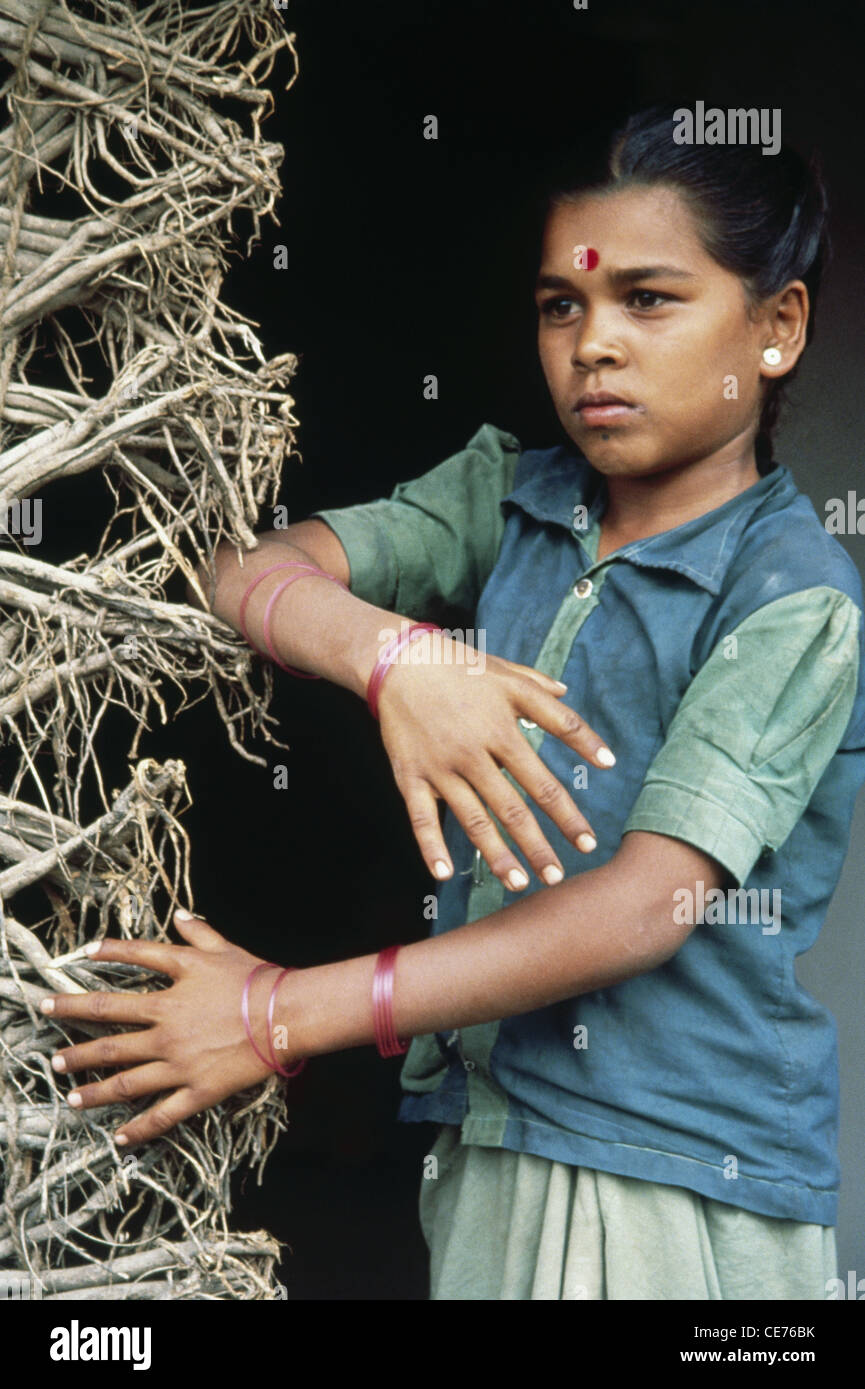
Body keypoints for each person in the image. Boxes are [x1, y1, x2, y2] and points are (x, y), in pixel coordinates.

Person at [41, 106, 865, 1300]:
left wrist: (281, 1012)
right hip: (488, 1136)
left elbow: (643, 908)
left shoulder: (793, 595)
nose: (593, 346)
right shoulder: (508, 497)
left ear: (776, 326)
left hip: (678, 1171)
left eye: (649, 299)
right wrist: (399, 662)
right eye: (560, 305)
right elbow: (242, 569)